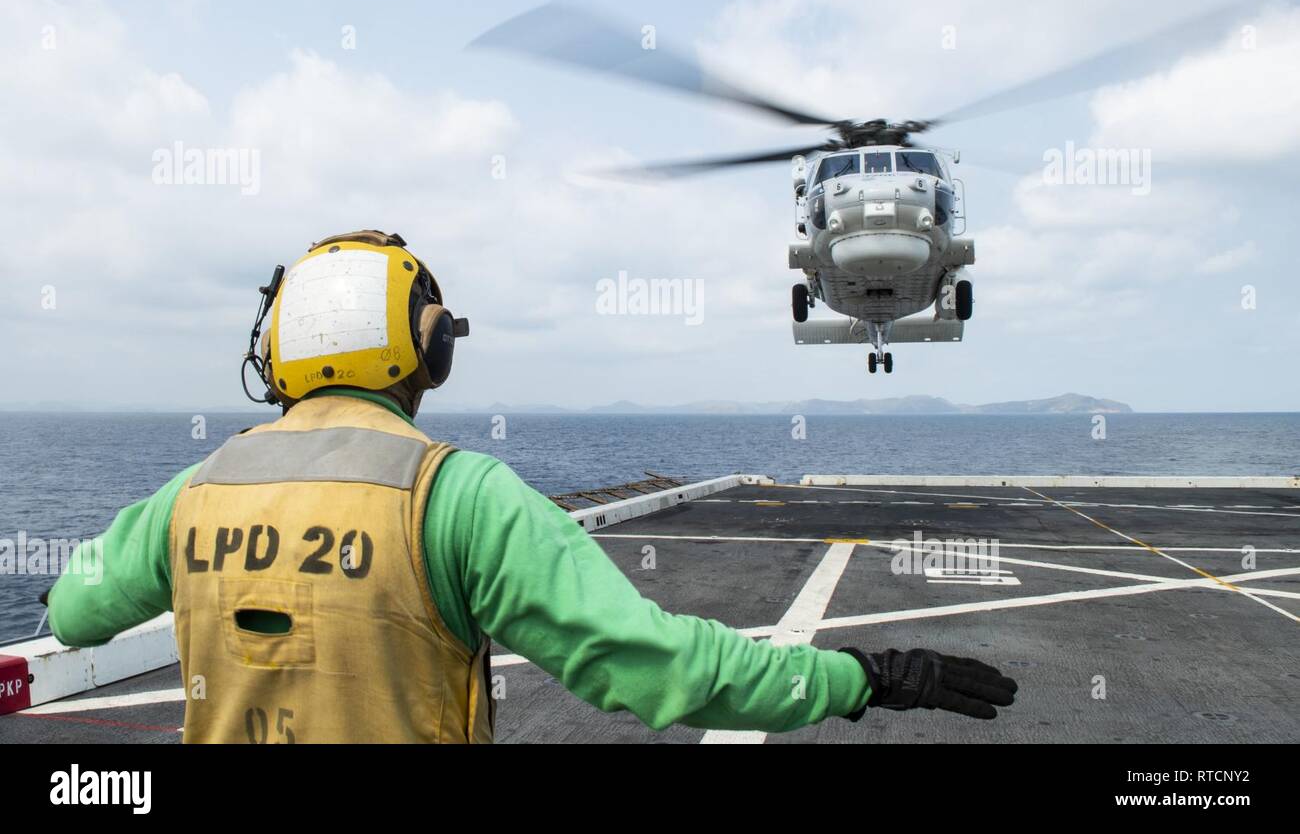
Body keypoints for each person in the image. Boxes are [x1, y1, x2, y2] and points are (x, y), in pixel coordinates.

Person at [46, 230, 1017, 743]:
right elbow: (657, 668)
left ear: (278, 351)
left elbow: (78, 608)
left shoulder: (191, 497)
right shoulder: (458, 497)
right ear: (423, 351)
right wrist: (866, 679)